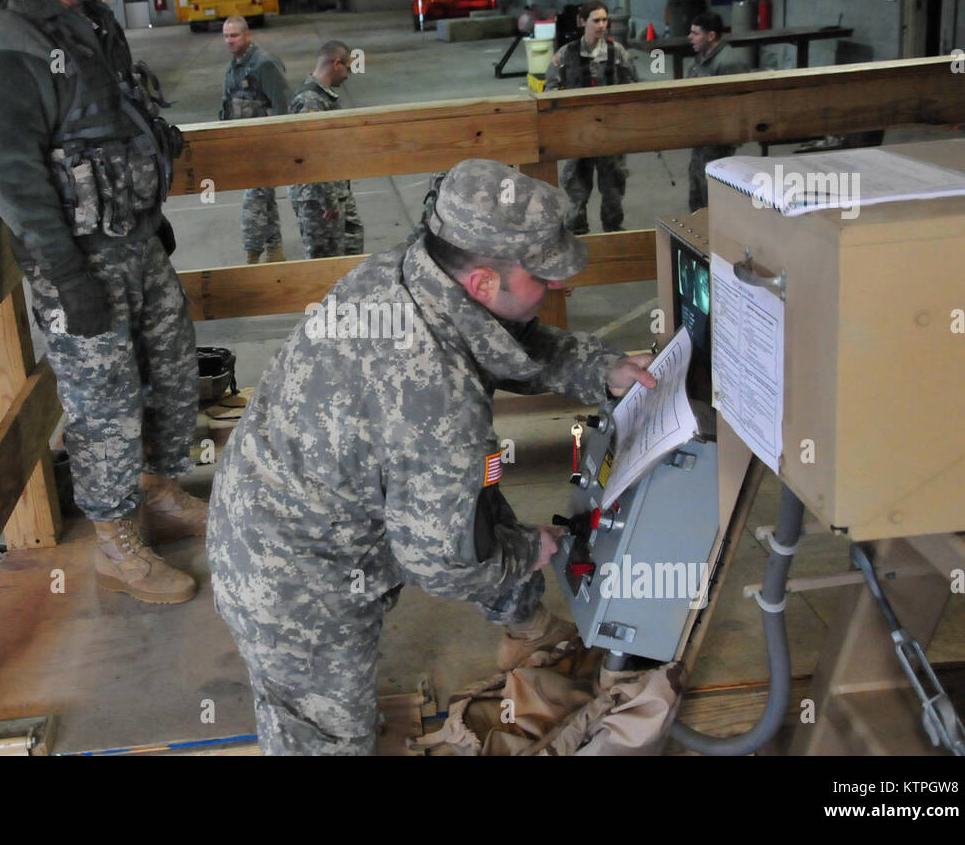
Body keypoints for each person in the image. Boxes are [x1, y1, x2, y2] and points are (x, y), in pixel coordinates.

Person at [208, 158, 657, 755]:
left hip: (288, 481)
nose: (557, 288)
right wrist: (530, 549)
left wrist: (601, 368)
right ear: (483, 284)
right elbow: (440, 562)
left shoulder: (410, 270)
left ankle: (524, 628)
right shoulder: (437, 398)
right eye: (541, 278)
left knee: (477, 488)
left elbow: (500, 343)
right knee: (325, 737)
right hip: (290, 570)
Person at [0, 0, 208, 605]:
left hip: (136, 242)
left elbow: (123, 123)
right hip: (76, 259)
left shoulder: (93, 22)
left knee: (172, 370)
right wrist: (68, 272)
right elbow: (10, 171)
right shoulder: (8, 44)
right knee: (102, 403)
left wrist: (146, 211)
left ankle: (156, 491)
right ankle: (115, 541)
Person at [543, 0, 638, 234]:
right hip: (579, 135)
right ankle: (577, 237)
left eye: (605, 20)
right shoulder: (567, 54)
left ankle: (614, 235)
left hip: (610, 135)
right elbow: (550, 89)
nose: (602, 25)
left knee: (613, 192)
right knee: (576, 192)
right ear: (583, 21)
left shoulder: (617, 52)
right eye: (596, 20)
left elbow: (633, 85)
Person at [220, 15, 293, 264]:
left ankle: (251, 254)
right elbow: (227, 107)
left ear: (248, 35)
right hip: (245, 148)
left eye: (235, 35)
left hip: (265, 147)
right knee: (265, 199)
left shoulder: (264, 65)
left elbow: (284, 105)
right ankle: (275, 250)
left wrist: (281, 144)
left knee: (253, 201)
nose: (229, 40)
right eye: (226, 36)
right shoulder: (234, 67)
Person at [288, 40, 362, 258]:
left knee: (350, 249)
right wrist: (328, 200)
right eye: (348, 68)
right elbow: (312, 154)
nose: (348, 75)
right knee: (326, 262)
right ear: (337, 64)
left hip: (335, 194)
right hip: (318, 201)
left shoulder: (322, 97)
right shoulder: (311, 101)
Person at [686, 10, 750, 213]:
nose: (690, 37)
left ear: (711, 36)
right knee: (697, 185)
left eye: (696, 33)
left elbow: (735, 104)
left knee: (713, 190)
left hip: (719, 137)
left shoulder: (729, 62)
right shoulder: (701, 58)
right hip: (702, 134)